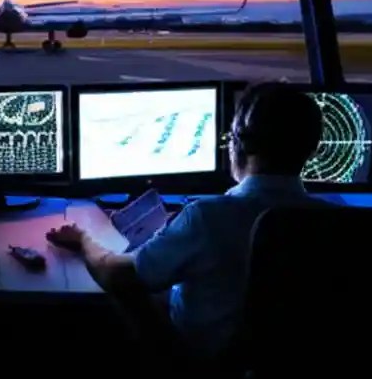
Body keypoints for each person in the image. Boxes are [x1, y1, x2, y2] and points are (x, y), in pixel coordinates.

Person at [46, 82, 326, 357]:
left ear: (240, 144)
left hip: (204, 361)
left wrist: (83, 240)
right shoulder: (333, 222)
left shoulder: (206, 218)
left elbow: (116, 275)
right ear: (311, 150)